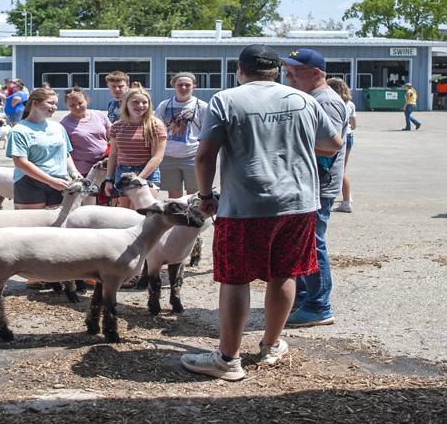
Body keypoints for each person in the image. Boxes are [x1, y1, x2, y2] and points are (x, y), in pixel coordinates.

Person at [180, 44, 344, 381]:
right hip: (298, 202)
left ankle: (228, 359)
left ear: (240, 69)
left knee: (236, 277)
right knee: (285, 273)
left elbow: (204, 155)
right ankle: (271, 345)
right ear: (275, 70)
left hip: (246, 204)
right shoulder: (303, 100)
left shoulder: (227, 100)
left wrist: (206, 194)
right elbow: (333, 143)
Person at [281, 48, 347, 328]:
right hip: (309, 183)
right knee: (303, 244)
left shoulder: (326, 101)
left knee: (313, 244)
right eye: (287, 70)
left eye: (295, 71)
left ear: (317, 73)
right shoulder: (311, 98)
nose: (288, 76)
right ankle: (305, 296)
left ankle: (319, 305)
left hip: (319, 185)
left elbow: (329, 149)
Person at [6, 87, 80, 210]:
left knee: (56, 225)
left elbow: (65, 153)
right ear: (35, 103)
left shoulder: (58, 127)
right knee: (33, 225)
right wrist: (51, 181)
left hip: (59, 183)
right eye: (51, 103)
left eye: (56, 104)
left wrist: (73, 171)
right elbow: (21, 162)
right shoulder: (19, 131)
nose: (55, 107)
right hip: (30, 183)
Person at [106, 86, 165, 201]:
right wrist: (109, 179)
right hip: (123, 173)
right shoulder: (117, 126)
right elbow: (113, 154)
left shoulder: (155, 125)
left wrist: (138, 179)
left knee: (142, 213)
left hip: (147, 174)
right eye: (135, 102)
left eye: (144, 102)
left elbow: (157, 157)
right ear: (126, 103)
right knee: (125, 214)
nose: (140, 106)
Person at [156, 72, 205, 201]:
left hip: (192, 156)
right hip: (169, 156)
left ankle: (192, 220)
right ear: (174, 86)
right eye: (180, 85)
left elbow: (207, 133)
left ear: (194, 86)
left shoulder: (202, 106)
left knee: (194, 196)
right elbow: (156, 130)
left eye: (187, 85)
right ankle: (176, 220)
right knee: (173, 197)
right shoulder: (164, 106)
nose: (183, 88)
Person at [60, 89, 110, 191]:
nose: (77, 107)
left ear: (87, 100)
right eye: (72, 105)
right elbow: (64, 152)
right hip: (83, 170)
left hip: (105, 166)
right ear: (67, 106)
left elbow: (112, 137)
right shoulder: (64, 124)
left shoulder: (99, 115)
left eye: (80, 103)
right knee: (89, 201)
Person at [327, 77, 357, 212]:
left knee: (339, 169)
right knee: (343, 168)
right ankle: (347, 198)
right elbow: (354, 125)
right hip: (349, 135)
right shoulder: (350, 104)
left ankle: (346, 201)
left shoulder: (331, 102)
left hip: (336, 137)